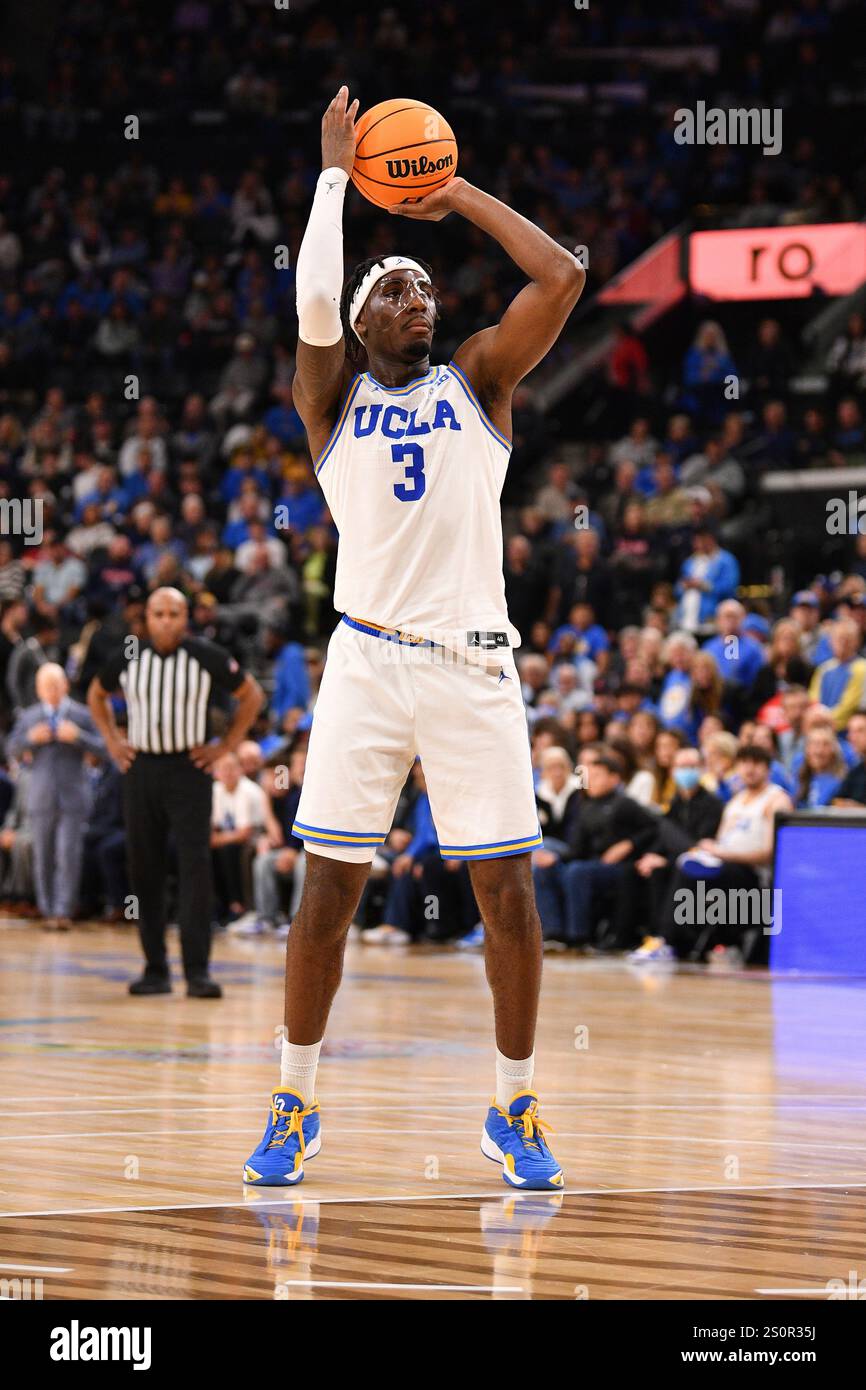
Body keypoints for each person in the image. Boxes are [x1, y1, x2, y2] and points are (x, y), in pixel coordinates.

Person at [242, 86, 586, 1193]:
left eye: (426, 288)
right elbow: (310, 294)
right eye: (395, 288)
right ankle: (293, 1104)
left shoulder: (481, 378)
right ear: (358, 321)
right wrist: (336, 179)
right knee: (325, 895)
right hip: (366, 660)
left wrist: (453, 198)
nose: (418, 298)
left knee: (508, 896)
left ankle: (514, 1109)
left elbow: (561, 275)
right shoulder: (327, 397)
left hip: (474, 658)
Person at [87, 586, 263, 997]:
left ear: (186, 618)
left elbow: (251, 694)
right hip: (141, 769)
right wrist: (113, 742)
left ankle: (197, 971)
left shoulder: (205, 655)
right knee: (144, 868)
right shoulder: (130, 654)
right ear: (146, 618)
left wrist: (227, 746)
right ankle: (154, 969)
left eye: (174, 613)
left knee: (194, 869)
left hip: (190, 768)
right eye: (159, 613)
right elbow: (97, 693)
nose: (166, 621)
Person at [6, 663, 105, 929]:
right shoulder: (30, 717)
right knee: (43, 855)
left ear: (65, 686)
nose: (51, 690)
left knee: (68, 854)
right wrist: (30, 739)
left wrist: (78, 737)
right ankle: (47, 909)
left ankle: (63, 912)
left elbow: (105, 748)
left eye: (55, 685)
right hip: (41, 795)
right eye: (45, 686)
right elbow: (11, 748)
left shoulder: (81, 715)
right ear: (38, 690)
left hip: (73, 794)